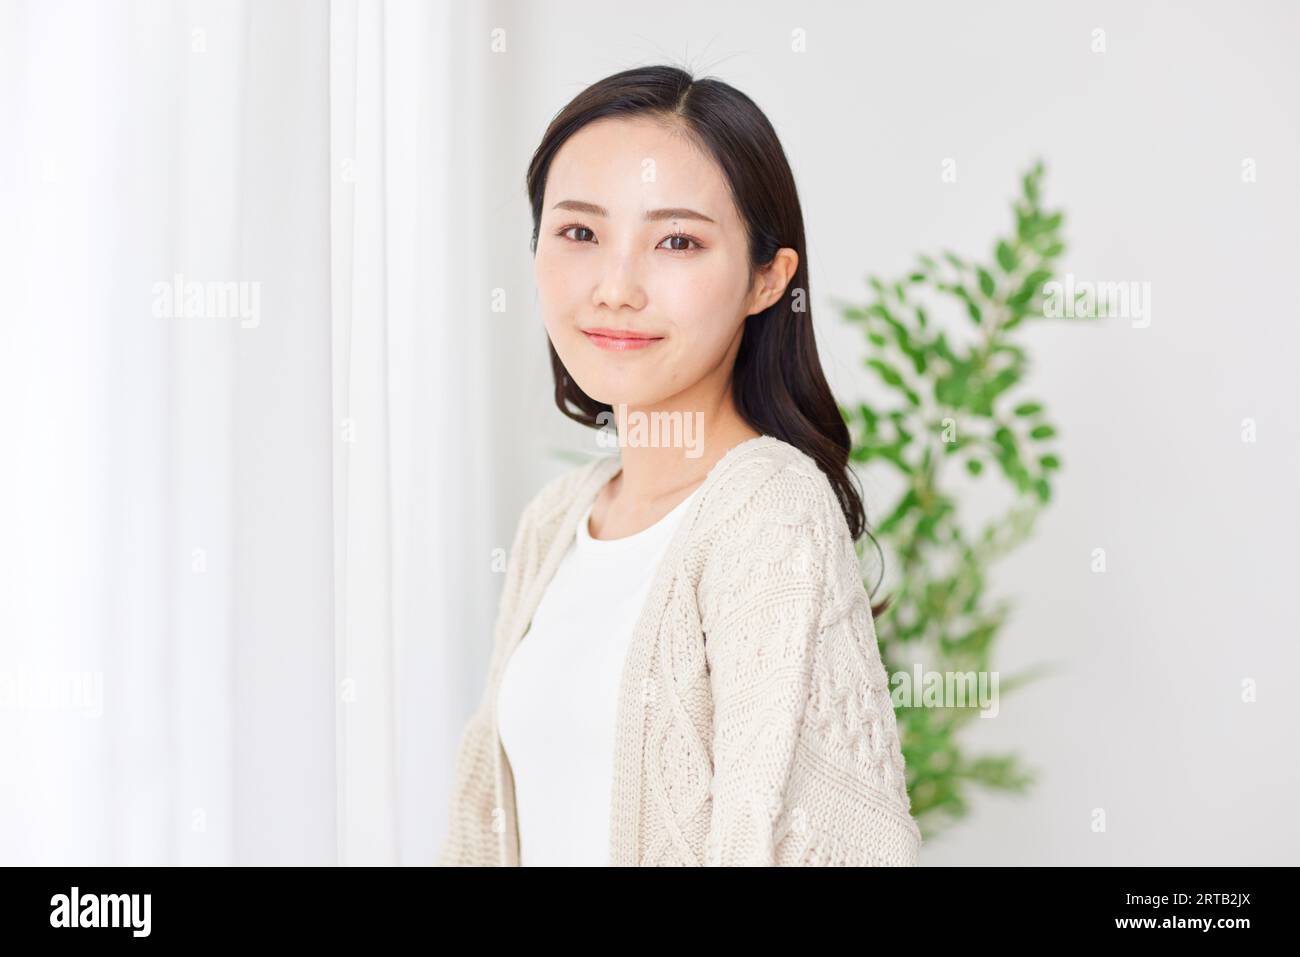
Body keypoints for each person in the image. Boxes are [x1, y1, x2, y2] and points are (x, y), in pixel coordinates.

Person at [438, 64, 921, 866]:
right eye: (580, 233)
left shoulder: (769, 512)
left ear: (767, 279)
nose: (617, 287)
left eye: (677, 241)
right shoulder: (557, 521)